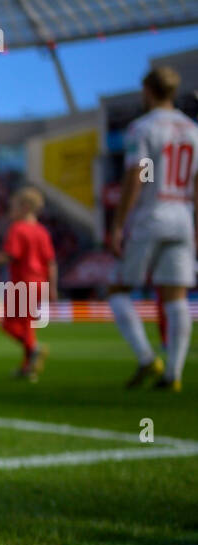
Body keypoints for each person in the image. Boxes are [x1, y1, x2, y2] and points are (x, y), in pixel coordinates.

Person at [106, 66, 198, 391]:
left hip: (151, 215)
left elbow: (137, 175)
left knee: (118, 290)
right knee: (175, 297)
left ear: (147, 91)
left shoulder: (143, 128)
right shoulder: (192, 129)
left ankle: (146, 358)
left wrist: (118, 224)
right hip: (182, 216)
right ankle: (173, 374)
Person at [0, 187, 55, 381]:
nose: (10, 211)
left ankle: (34, 349)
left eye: (13, 206)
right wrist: (52, 287)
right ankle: (28, 366)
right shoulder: (42, 231)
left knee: (10, 326)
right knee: (27, 324)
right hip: (39, 282)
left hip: (23, 282)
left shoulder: (18, 229)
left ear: (25, 207)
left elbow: (10, 255)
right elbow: (51, 262)